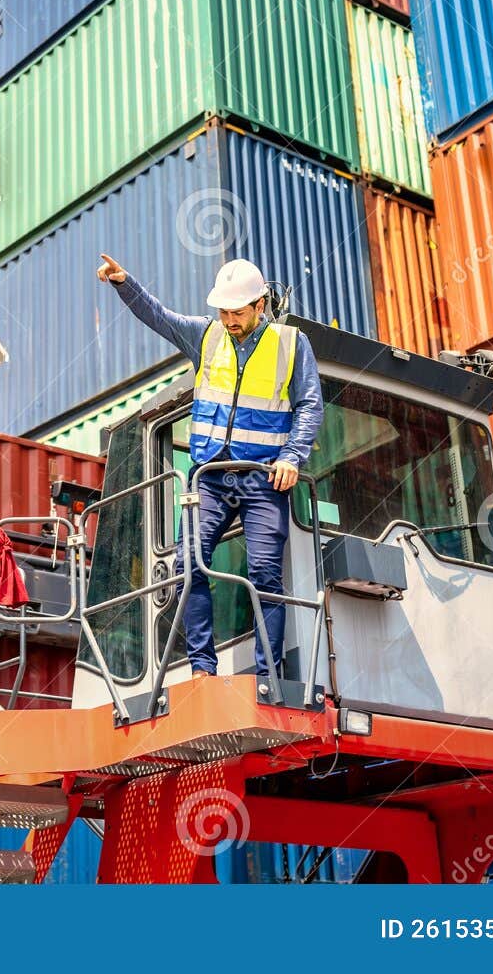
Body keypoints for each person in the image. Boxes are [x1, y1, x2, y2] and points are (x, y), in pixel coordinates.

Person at [96, 253, 323, 683]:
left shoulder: (292, 345)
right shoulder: (206, 336)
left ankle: (268, 678)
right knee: (187, 565)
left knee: (264, 575)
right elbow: (157, 316)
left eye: (237, 312)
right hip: (209, 479)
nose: (229, 319)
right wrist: (124, 283)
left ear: (260, 305)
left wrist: (293, 456)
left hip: (263, 481)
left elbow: (310, 405)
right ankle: (203, 668)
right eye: (223, 310)